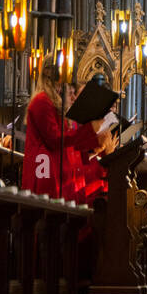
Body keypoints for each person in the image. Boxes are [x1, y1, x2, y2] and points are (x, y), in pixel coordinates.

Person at [22, 55, 109, 201]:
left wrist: (96, 145)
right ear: (48, 71)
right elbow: (55, 139)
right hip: (46, 169)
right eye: (62, 66)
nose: (66, 70)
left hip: (58, 168)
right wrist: (89, 129)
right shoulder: (42, 101)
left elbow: (69, 140)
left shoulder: (55, 101)